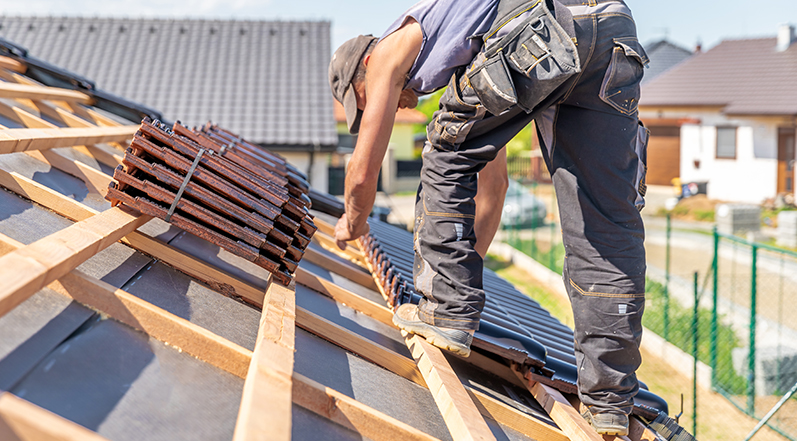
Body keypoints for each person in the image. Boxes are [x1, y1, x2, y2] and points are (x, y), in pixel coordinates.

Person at [328, 0, 649, 435]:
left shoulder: (390, 47)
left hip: (546, 20)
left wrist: (352, 221)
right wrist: (461, 269)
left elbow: (364, 169)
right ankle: (609, 400)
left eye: (361, 104)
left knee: (444, 150)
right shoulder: (465, 59)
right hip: (611, 31)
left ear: (363, 66)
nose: (376, 112)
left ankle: (443, 312)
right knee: (606, 226)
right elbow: (493, 187)